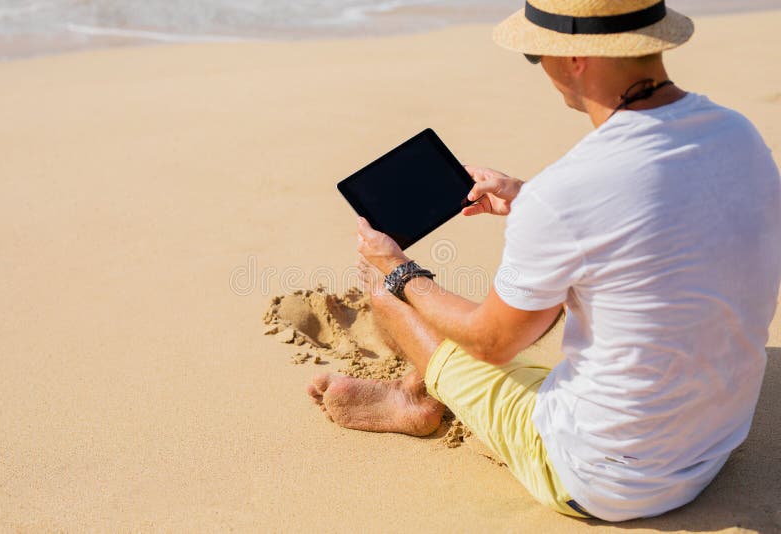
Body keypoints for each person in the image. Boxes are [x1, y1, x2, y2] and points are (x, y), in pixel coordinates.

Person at [307, 0, 781, 522]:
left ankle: (413, 400)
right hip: (715, 443)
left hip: (604, 478)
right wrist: (528, 196)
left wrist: (398, 270)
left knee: (391, 297)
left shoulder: (568, 193)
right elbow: (668, 211)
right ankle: (425, 383)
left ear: (574, 56)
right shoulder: (738, 135)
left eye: (536, 54)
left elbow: (492, 341)